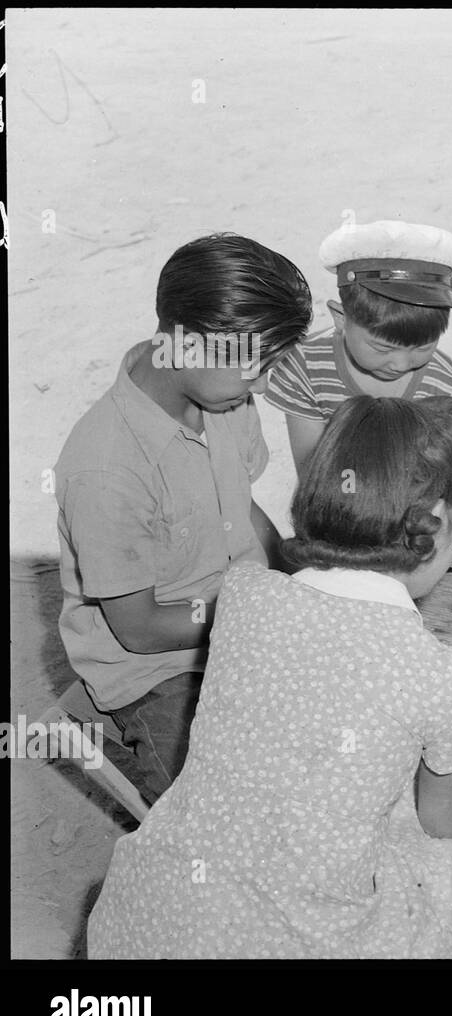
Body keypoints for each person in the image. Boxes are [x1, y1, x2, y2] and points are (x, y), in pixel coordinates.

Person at [87, 396, 452, 958]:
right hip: (311, 946)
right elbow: (447, 821)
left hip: (141, 925)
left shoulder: (244, 594)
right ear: (433, 523)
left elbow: (334, 663)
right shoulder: (437, 678)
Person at [54, 232, 313, 803]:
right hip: (158, 668)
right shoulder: (106, 469)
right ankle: (106, 714)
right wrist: (263, 617)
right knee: (219, 813)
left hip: (242, 618)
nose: (264, 387)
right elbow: (140, 628)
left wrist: (297, 579)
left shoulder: (224, 397)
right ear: (189, 344)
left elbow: (241, 506)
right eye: (257, 367)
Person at [264, 218, 452, 567]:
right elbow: (312, 469)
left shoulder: (449, 389)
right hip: (339, 507)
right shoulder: (305, 366)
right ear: (340, 317)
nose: (399, 364)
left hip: (417, 521)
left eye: (421, 347)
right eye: (382, 347)